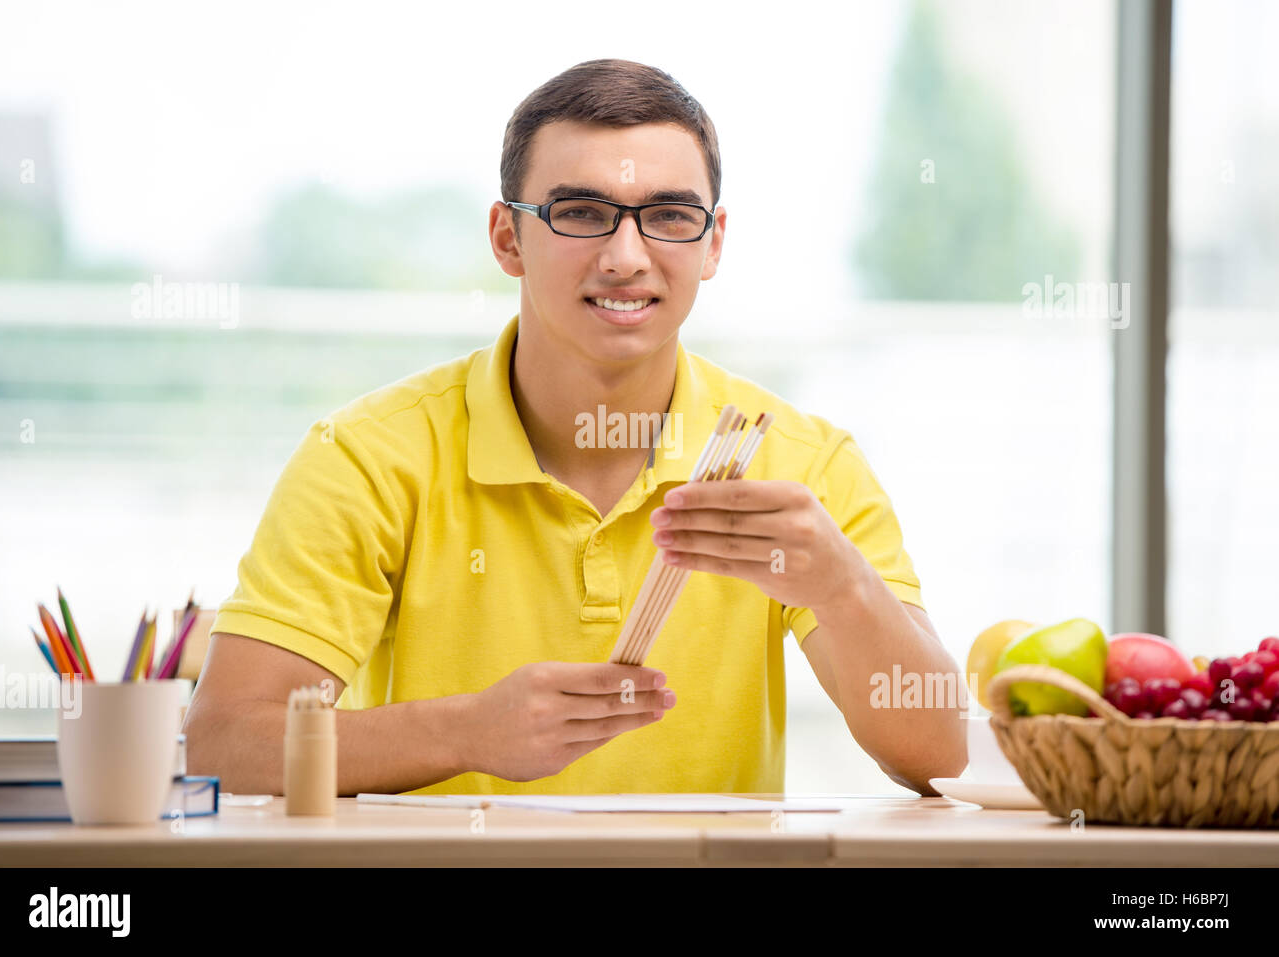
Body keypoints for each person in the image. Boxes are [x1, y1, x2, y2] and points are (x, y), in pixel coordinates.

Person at [184, 58, 967, 797]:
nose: (626, 257)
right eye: (582, 212)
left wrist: (842, 584)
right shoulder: (368, 457)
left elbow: (943, 761)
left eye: (668, 215)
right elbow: (223, 743)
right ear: (506, 237)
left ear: (713, 243)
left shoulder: (800, 462)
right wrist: (466, 731)